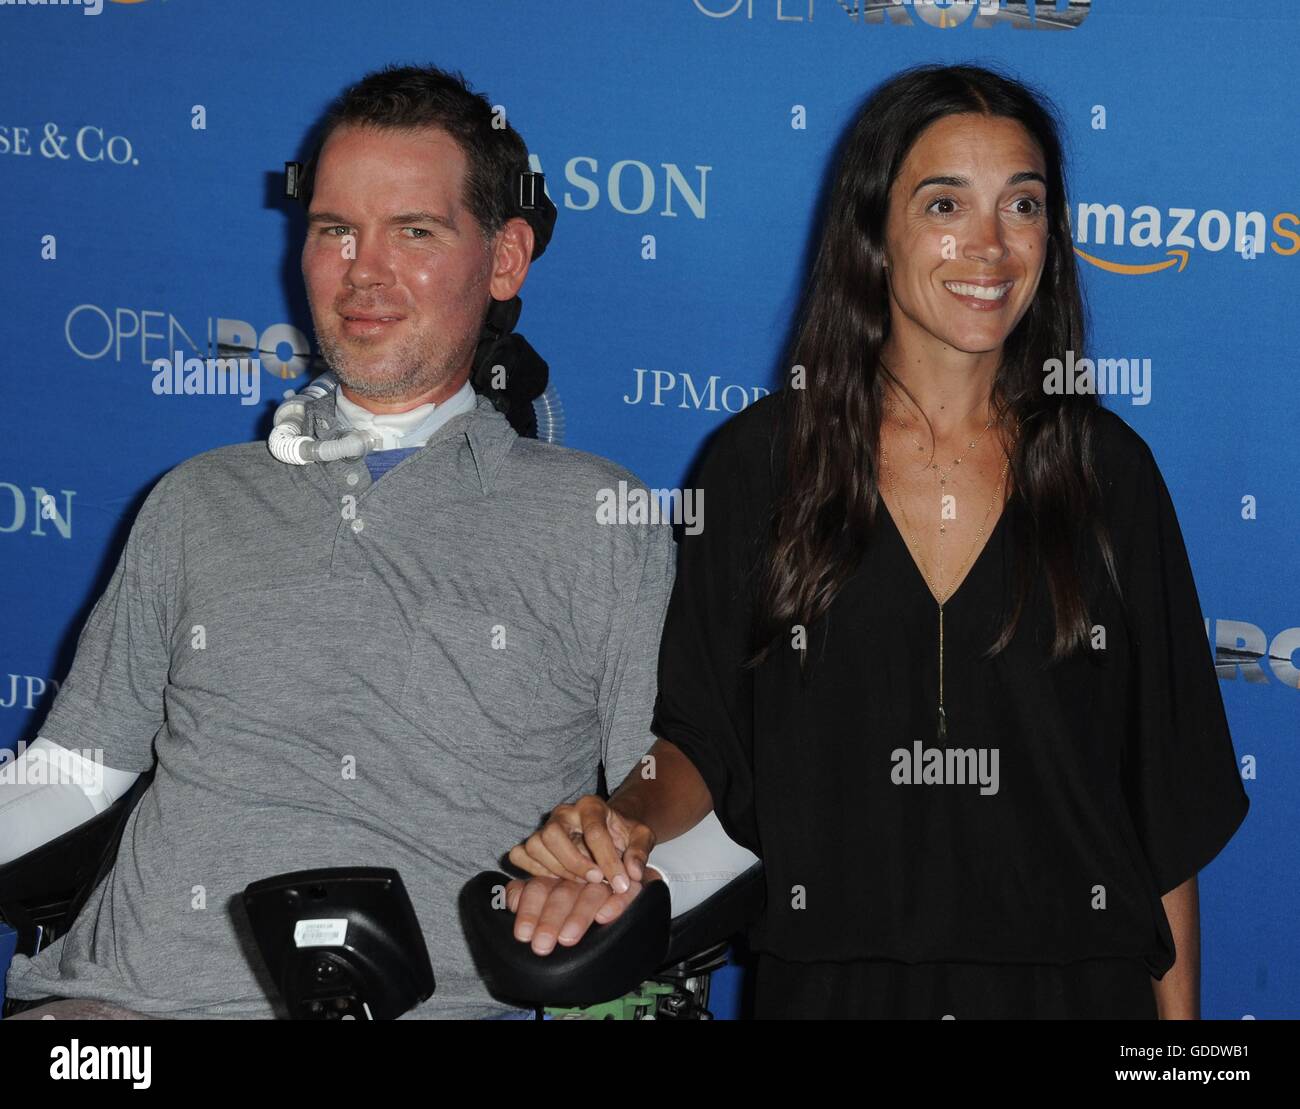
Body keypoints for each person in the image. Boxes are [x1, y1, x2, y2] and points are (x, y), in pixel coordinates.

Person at [505, 63, 1250, 1019]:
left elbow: (1162, 819)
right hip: (831, 992)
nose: (989, 245)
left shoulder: (1112, 473)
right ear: (873, 233)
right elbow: (702, 737)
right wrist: (623, 818)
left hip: (1078, 996)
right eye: (946, 202)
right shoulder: (757, 465)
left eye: (1022, 206)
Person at [1, 64, 679, 1019]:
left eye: (414, 231)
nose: (364, 271)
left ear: (504, 259)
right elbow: (68, 781)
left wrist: (610, 859)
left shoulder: (600, 522)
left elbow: (669, 803)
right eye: (334, 230)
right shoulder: (197, 501)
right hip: (116, 1018)